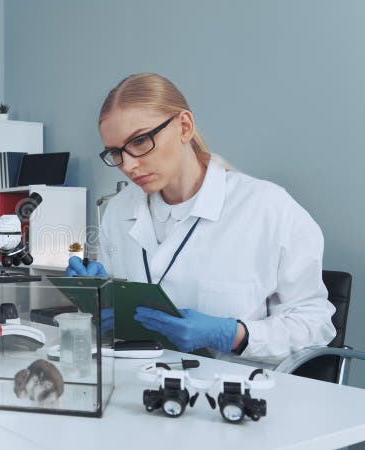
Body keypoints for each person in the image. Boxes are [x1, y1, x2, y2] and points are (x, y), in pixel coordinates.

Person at [68, 73, 335, 365]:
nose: (128, 165)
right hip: (139, 386)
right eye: (115, 153)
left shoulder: (269, 208)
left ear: (184, 126)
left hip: (237, 392)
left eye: (141, 141)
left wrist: (235, 335)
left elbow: (316, 325)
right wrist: (98, 295)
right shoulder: (118, 210)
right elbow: (121, 312)